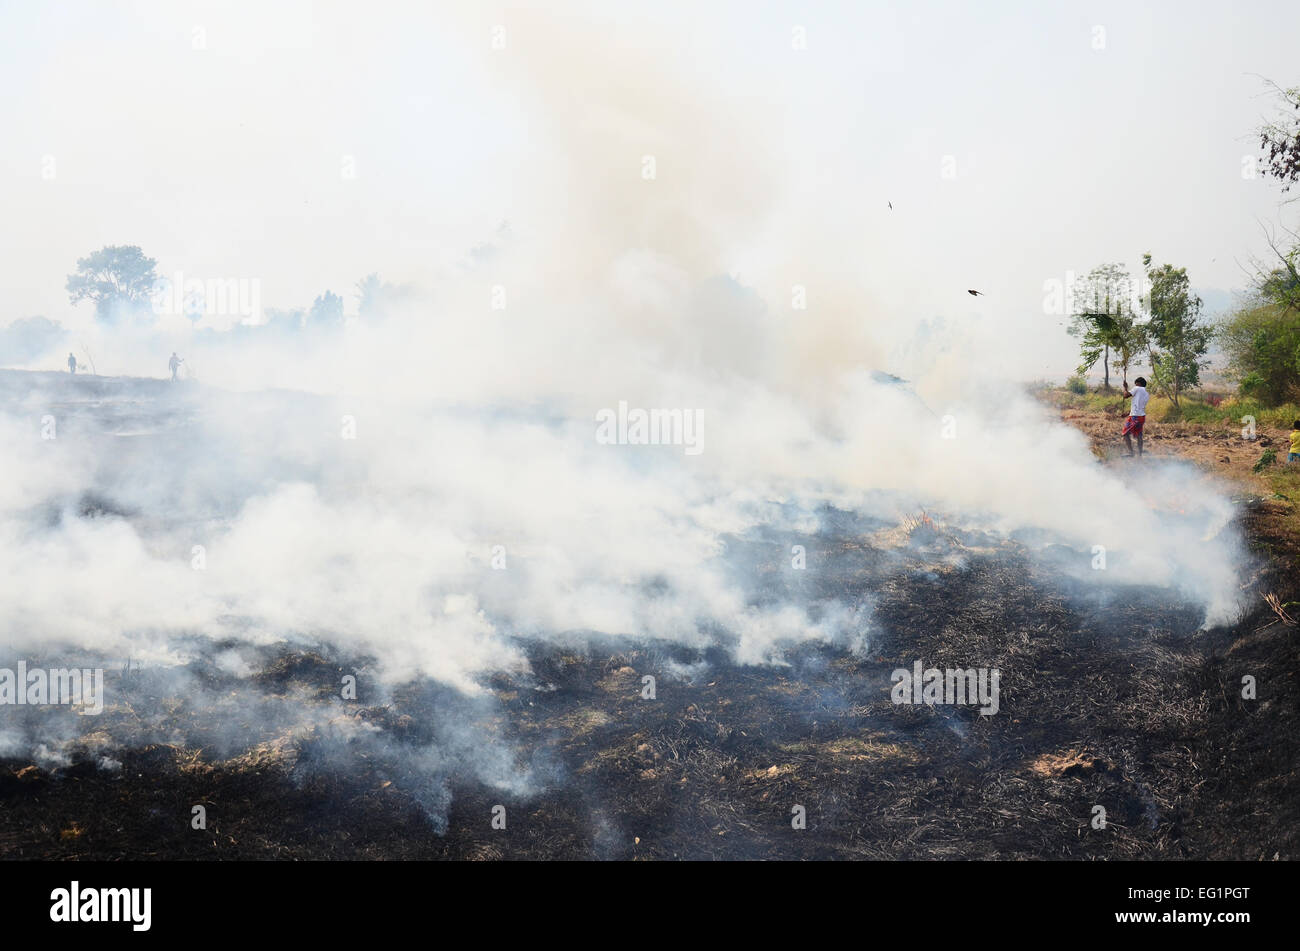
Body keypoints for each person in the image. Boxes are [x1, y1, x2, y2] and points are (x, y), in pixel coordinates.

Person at [1121, 376, 1149, 457]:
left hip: (1135, 417)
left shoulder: (1137, 388)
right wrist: (1127, 414)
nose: (1135, 385)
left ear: (1138, 383)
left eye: (1136, 384)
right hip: (1141, 417)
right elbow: (1138, 407)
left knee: (1125, 434)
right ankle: (1140, 454)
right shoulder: (1146, 394)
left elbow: (1125, 396)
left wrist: (1125, 388)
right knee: (1139, 435)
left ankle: (1131, 453)